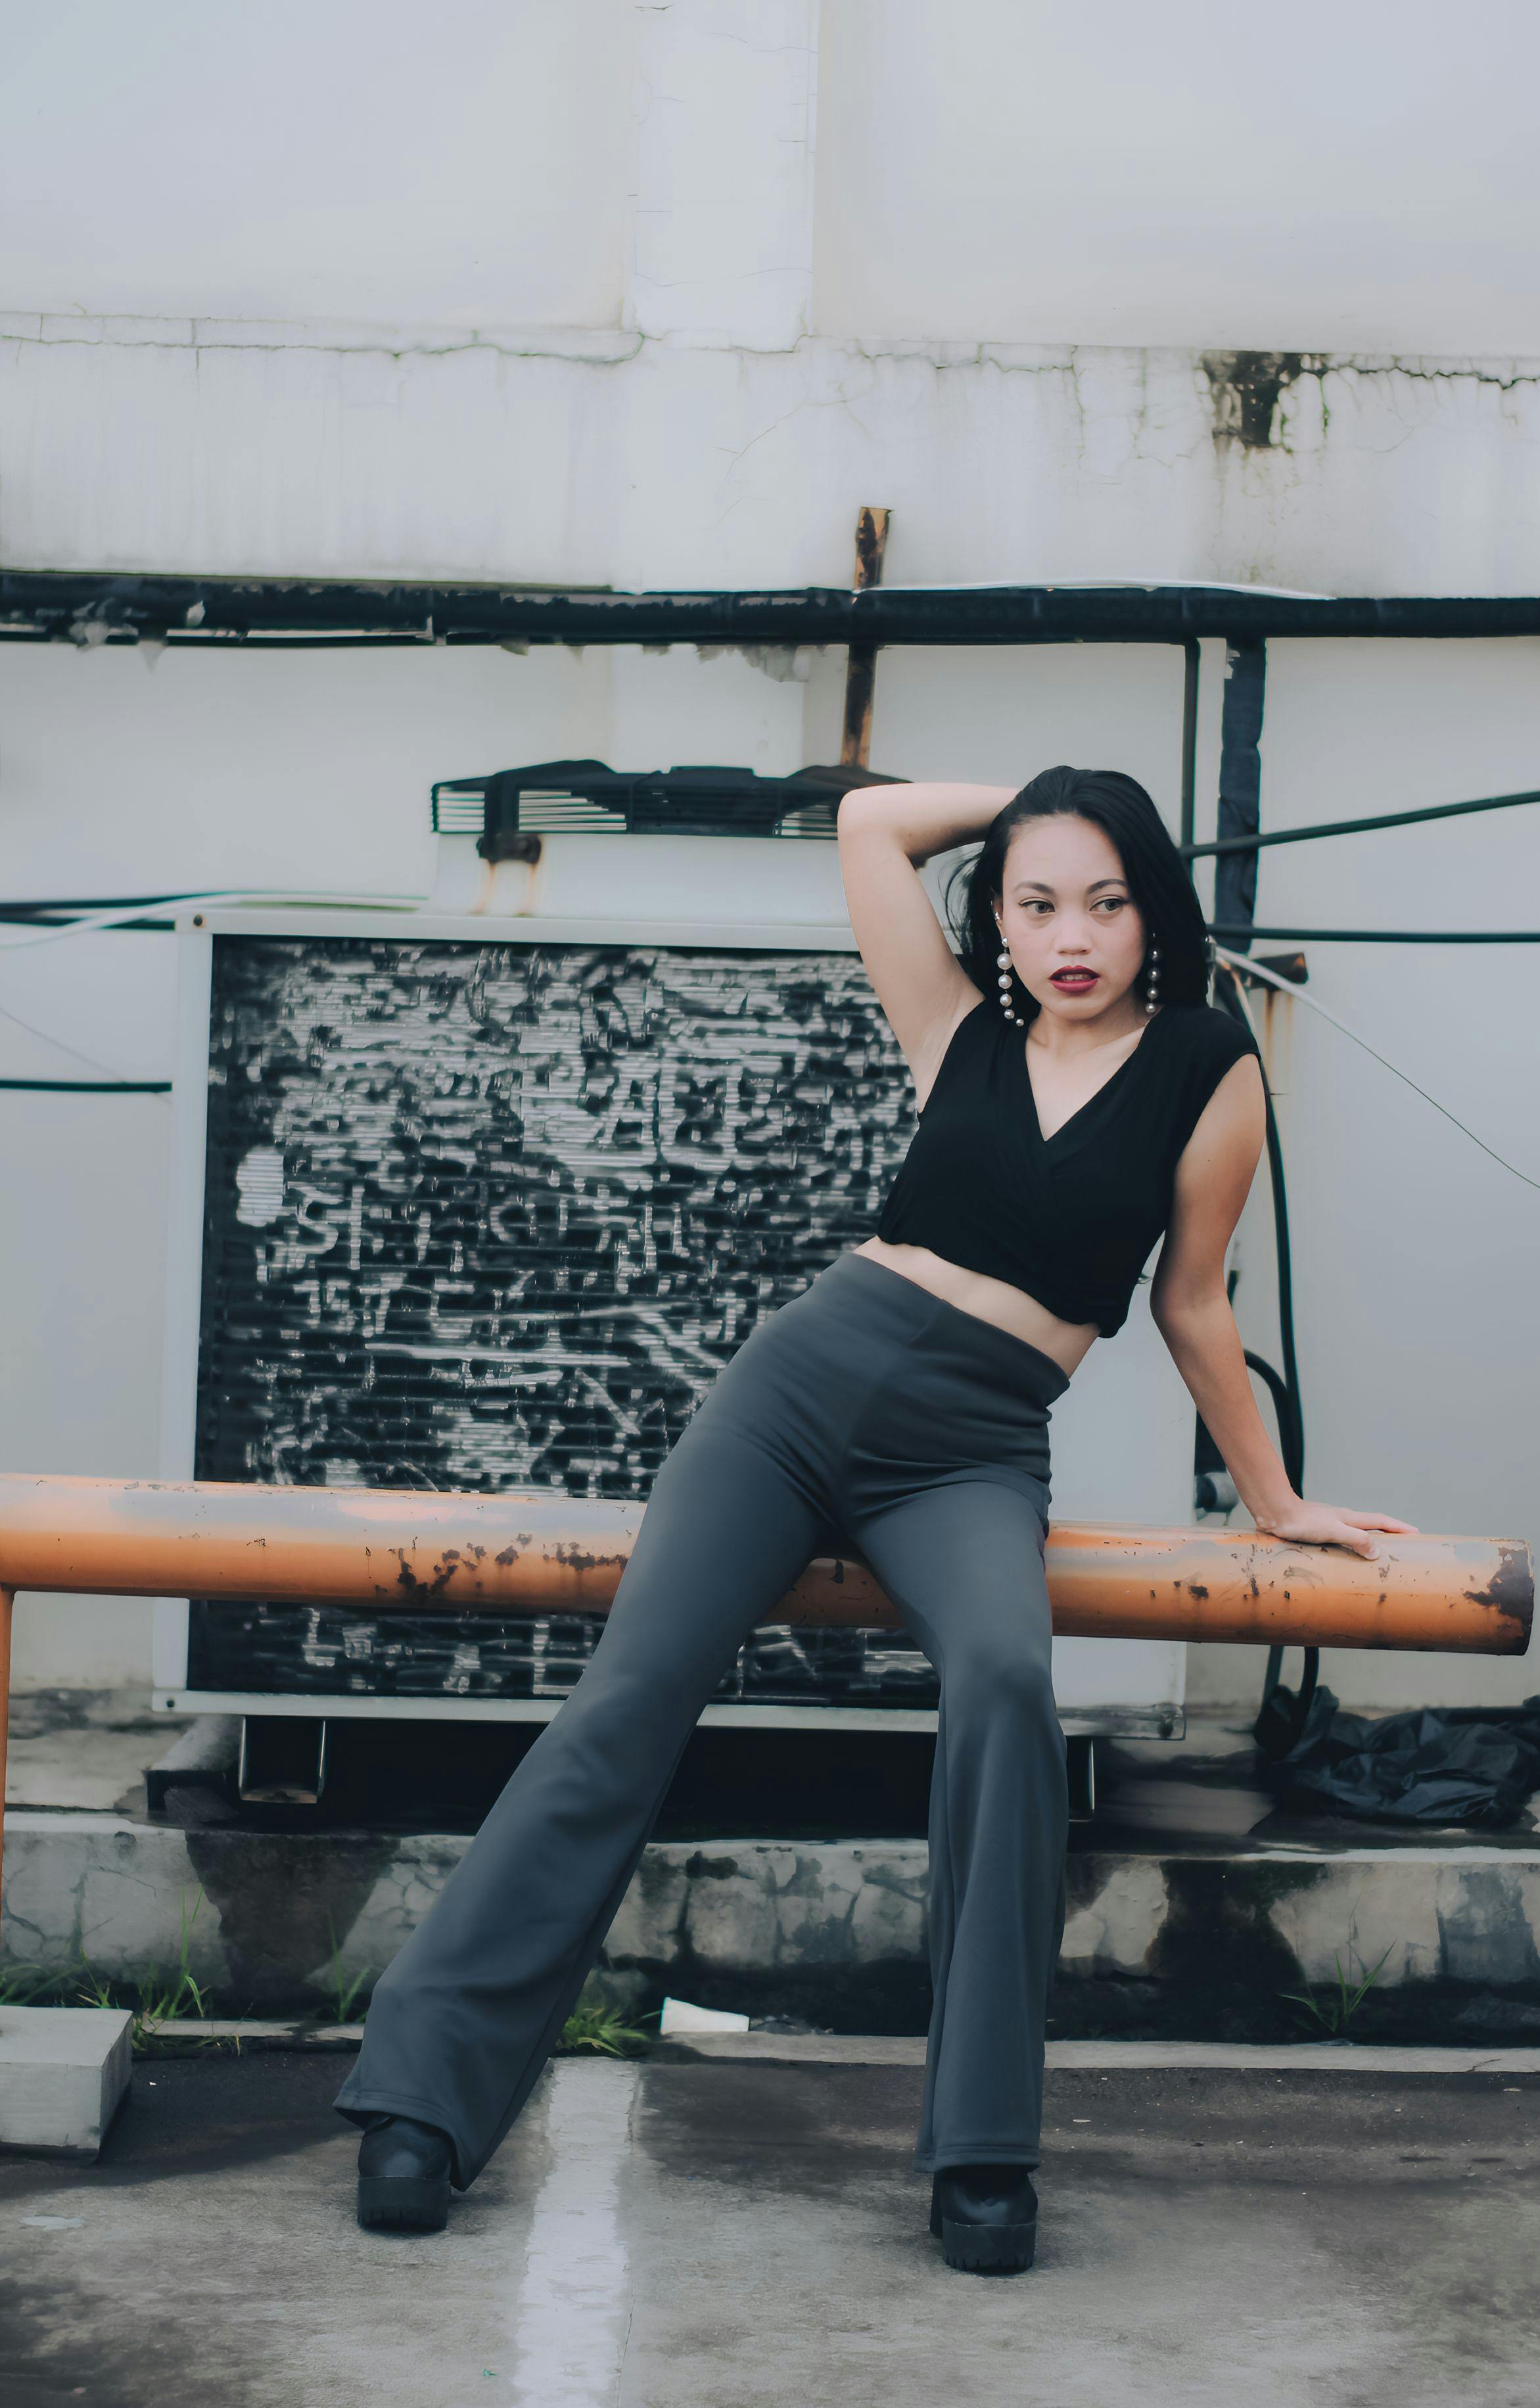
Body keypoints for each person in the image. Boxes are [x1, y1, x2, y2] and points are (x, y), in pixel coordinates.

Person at [337, 766, 1412, 2271]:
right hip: (794, 1393)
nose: (1073, 935)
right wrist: (1030, 793)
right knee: (629, 1700)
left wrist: (1280, 1498)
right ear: (1002, 919)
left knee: (1009, 1685)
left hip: (969, 1446)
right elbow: (868, 824)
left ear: (1150, 908)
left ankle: (983, 2149)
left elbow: (1193, 1300)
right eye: (1037, 902)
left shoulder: (1206, 1059)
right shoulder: (956, 1026)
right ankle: (421, 2104)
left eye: (1107, 899)